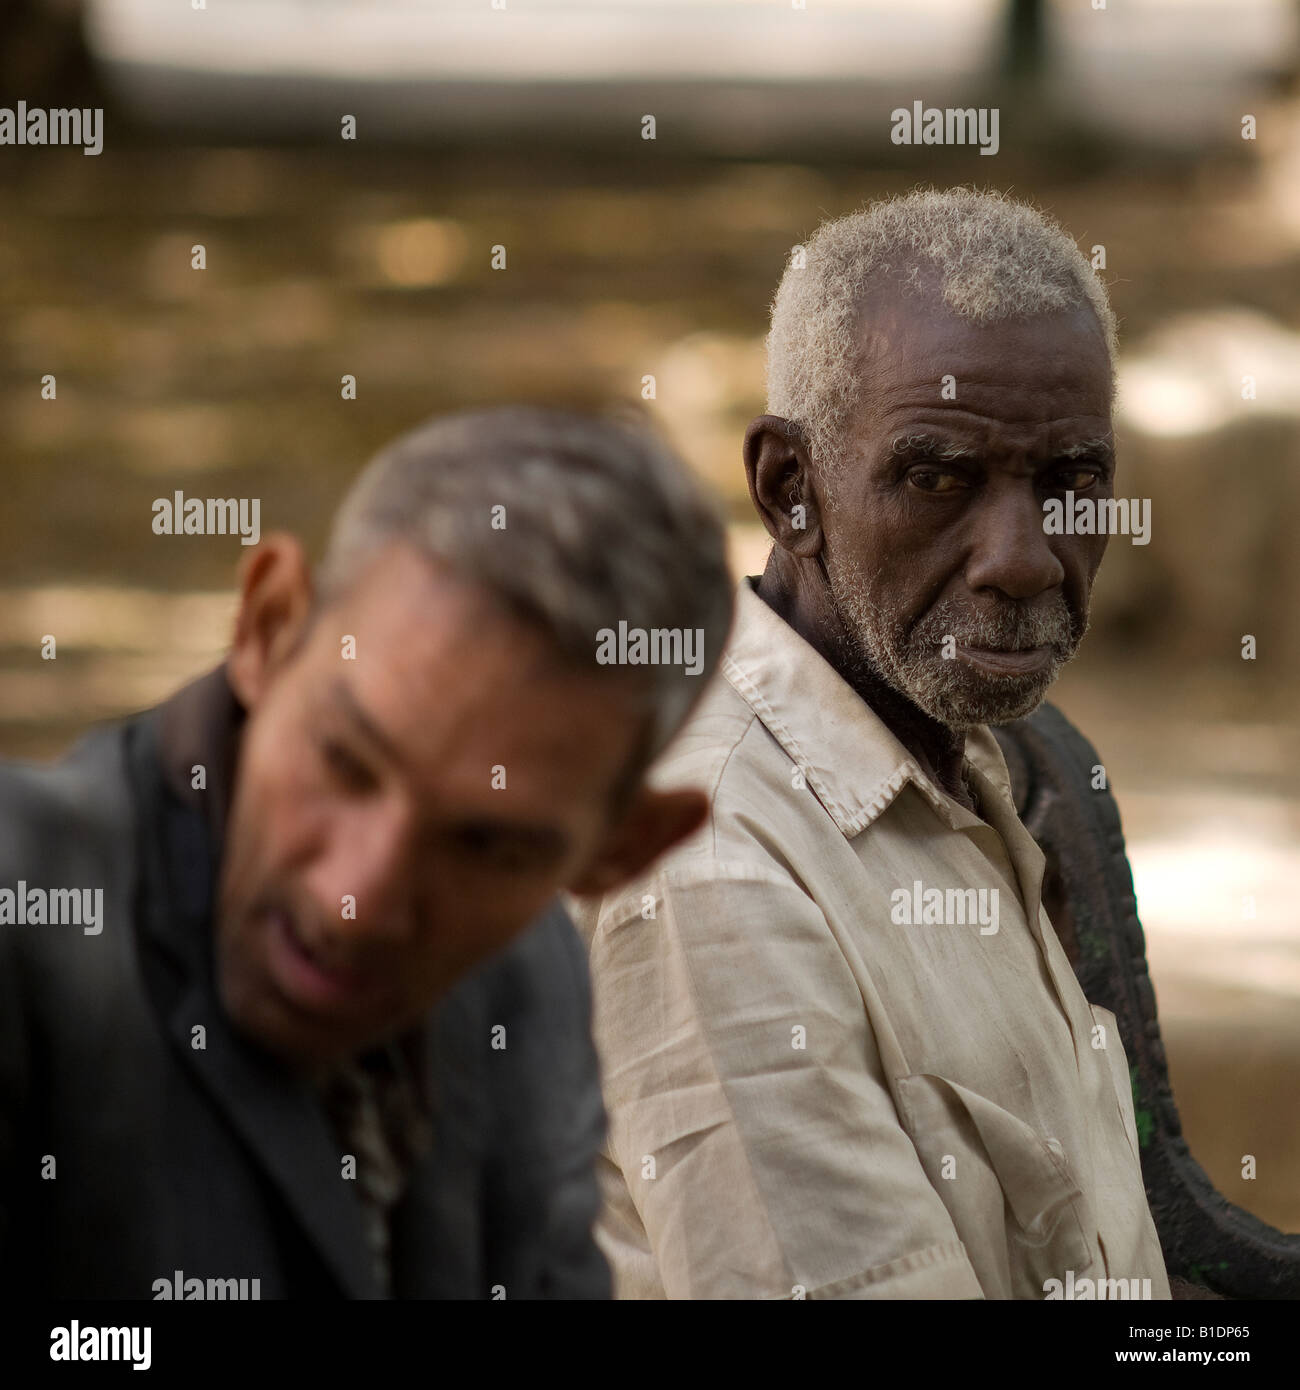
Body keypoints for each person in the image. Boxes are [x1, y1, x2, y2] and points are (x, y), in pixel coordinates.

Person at [570, 188, 1173, 1300]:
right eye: (938, 478)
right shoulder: (714, 863)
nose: (1024, 559)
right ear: (789, 491)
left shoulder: (946, 750)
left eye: (1070, 484)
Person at [0, 405, 733, 1299]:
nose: (362, 896)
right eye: (345, 763)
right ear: (267, 627)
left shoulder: (528, 978)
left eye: (487, 846)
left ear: (623, 851)